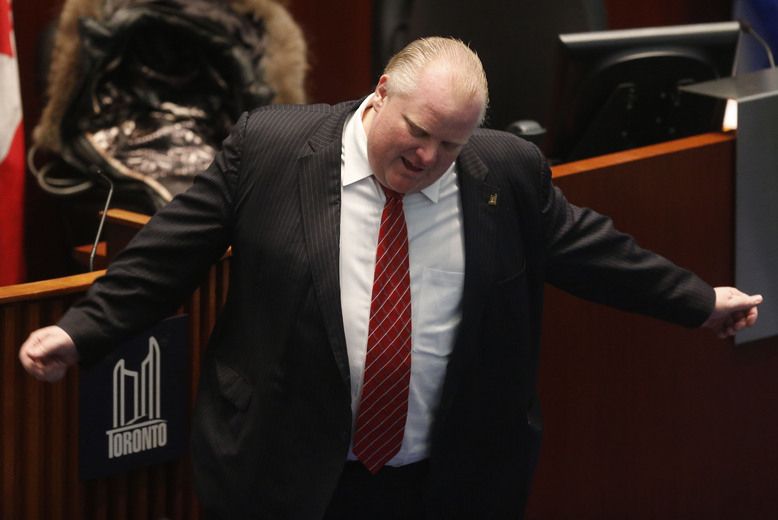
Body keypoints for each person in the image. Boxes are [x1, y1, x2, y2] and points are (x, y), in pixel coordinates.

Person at [19, 37, 761, 519]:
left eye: (451, 142)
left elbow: (594, 252)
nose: (431, 157)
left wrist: (700, 301)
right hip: (286, 474)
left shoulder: (503, 171)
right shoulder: (273, 150)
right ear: (380, 93)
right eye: (418, 131)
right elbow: (165, 257)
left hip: (444, 480)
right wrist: (78, 331)